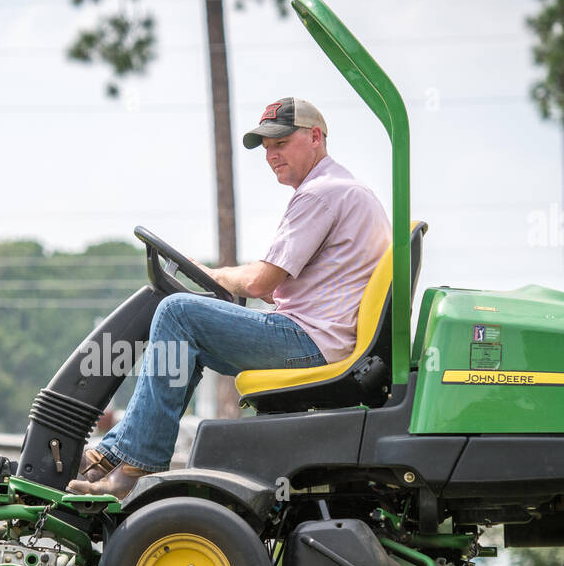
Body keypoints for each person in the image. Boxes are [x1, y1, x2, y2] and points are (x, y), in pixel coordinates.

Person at [67, 97, 391, 499]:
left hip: (310, 341)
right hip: (326, 338)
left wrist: (208, 273)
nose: (272, 155)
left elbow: (261, 283)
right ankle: (115, 454)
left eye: (281, 143)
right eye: (266, 148)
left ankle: (129, 465)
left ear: (315, 137)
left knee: (176, 313)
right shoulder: (345, 190)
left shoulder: (322, 193)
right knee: (183, 343)